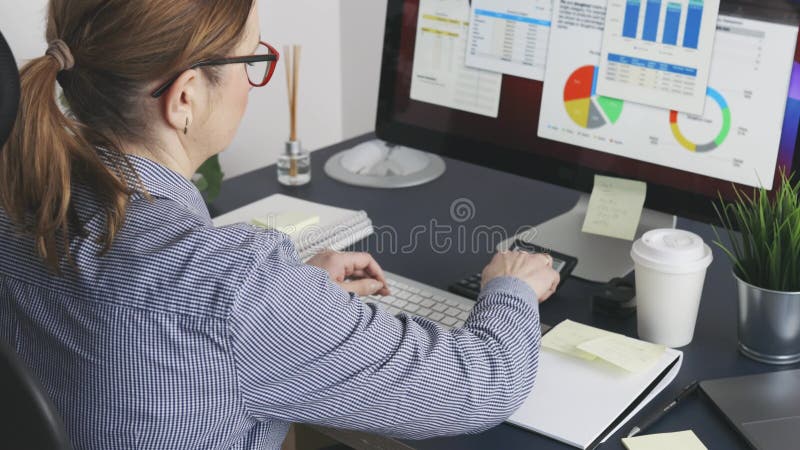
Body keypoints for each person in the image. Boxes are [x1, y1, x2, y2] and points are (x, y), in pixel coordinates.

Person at [0, 1, 560, 448]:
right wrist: (511, 287)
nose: (253, 79)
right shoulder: (235, 291)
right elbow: (481, 385)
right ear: (186, 96)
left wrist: (292, 299)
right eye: (252, 61)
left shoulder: (14, 207)